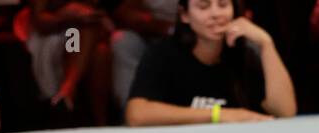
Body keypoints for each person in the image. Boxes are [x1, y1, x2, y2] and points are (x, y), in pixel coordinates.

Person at [124, 0, 294, 126]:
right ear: (184, 15)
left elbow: (285, 111)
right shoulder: (163, 53)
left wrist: (266, 44)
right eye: (203, 6)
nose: (215, 14)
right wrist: (218, 115)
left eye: (223, 5)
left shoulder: (243, 53)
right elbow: (136, 114)